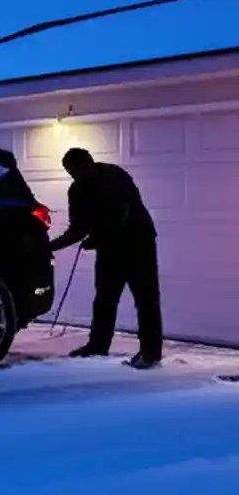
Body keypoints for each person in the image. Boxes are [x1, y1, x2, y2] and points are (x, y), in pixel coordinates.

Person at [49, 147, 163, 369]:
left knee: (146, 299)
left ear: (89, 162)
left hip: (138, 243)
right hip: (109, 248)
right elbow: (78, 228)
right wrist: (50, 246)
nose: (75, 175)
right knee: (104, 299)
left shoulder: (115, 175)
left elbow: (121, 212)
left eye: (77, 169)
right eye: (70, 172)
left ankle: (150, 354)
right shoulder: (77, 190)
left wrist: (96, 238)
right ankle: (97, 346)